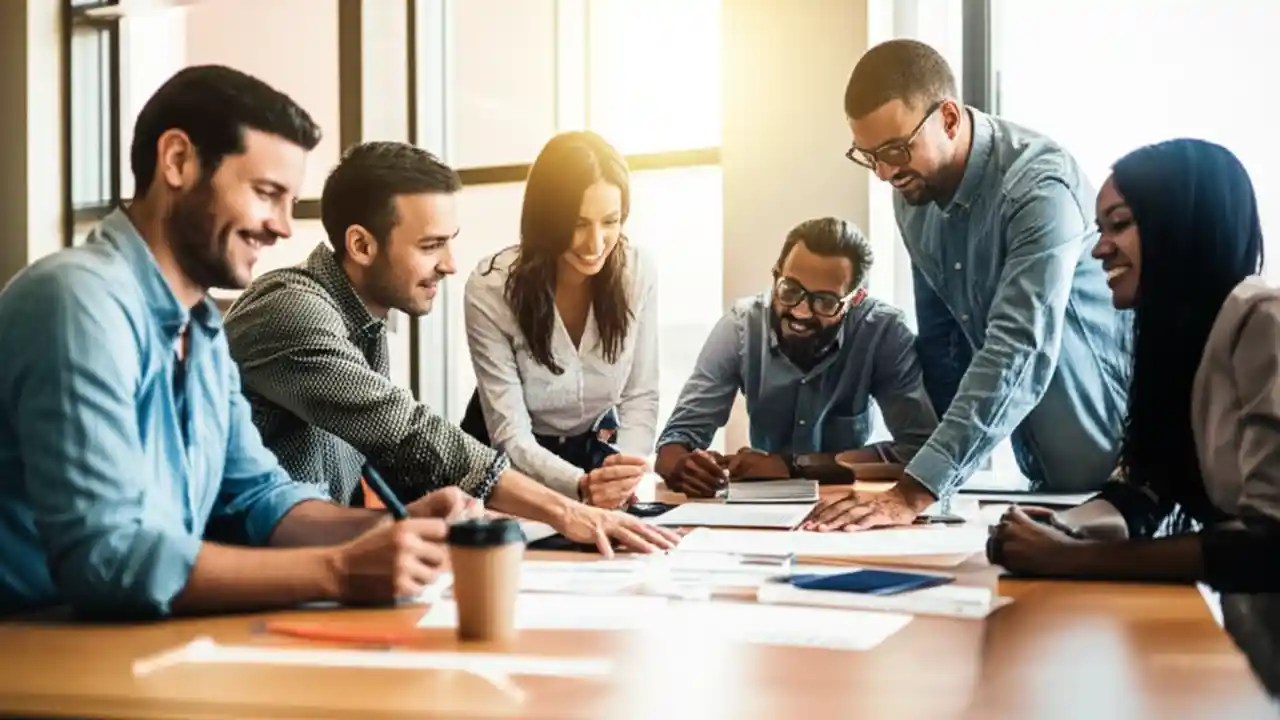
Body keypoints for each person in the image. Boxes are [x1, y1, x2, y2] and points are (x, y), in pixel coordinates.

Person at [0, 66, 485, 618]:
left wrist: (397, 526)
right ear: (177, 161)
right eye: (266, 194)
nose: (283, 226)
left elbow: (259, 499)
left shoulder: (201, 332)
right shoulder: (78, 302)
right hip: (34, 645)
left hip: (132, 640)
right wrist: (341, 569)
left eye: (289, 201)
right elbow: (111, 557)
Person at [223, 141, 676, 554]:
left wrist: (413, 513)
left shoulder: (362, 326)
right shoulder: (291, 310)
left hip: (302, 557)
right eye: (431, 245)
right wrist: (567, 509)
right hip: (247, 573)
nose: (450, 265)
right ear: (361, 244)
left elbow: (387, 459)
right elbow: (407, 432)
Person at [987, 138, 1280, 694]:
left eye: (1119, 225)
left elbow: (1271, 545)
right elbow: (1146, 489)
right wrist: (1063, 528)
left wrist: (1073, 561)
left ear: (1183, 226)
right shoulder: (1180, 342)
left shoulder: (1264, 321)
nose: (1100, 249)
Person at [814, 39, 1130, 530]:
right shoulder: (912, 192)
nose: (884, 173)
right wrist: (926, 476)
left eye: (895, 149)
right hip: (1039, 476)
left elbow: (1018, 347)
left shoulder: (1038, 187)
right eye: (869, 155)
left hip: (1113, 473)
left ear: (948, 118)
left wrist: (915, 491)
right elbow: (942, 345)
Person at [654, 217, 938, 498]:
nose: (801, 312)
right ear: (776, 275)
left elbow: (920, 451)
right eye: (790, 291)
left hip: (847, 501)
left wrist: (794, 466)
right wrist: (684, 466)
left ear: (855, 299)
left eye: (825, 301)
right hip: (764, 506)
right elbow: (674, 442)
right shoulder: (741, 327)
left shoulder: (884, 333)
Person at [462, 132, 656, 509]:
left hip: (593, 458)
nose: (595, 244)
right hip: (506, 466)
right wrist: (579, 487)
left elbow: (640, 394)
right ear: (546, 219)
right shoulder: (491, 288)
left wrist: (621, 475)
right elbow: (510, 436)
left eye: (611, 221)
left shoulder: (637, 273)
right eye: (578, 223)